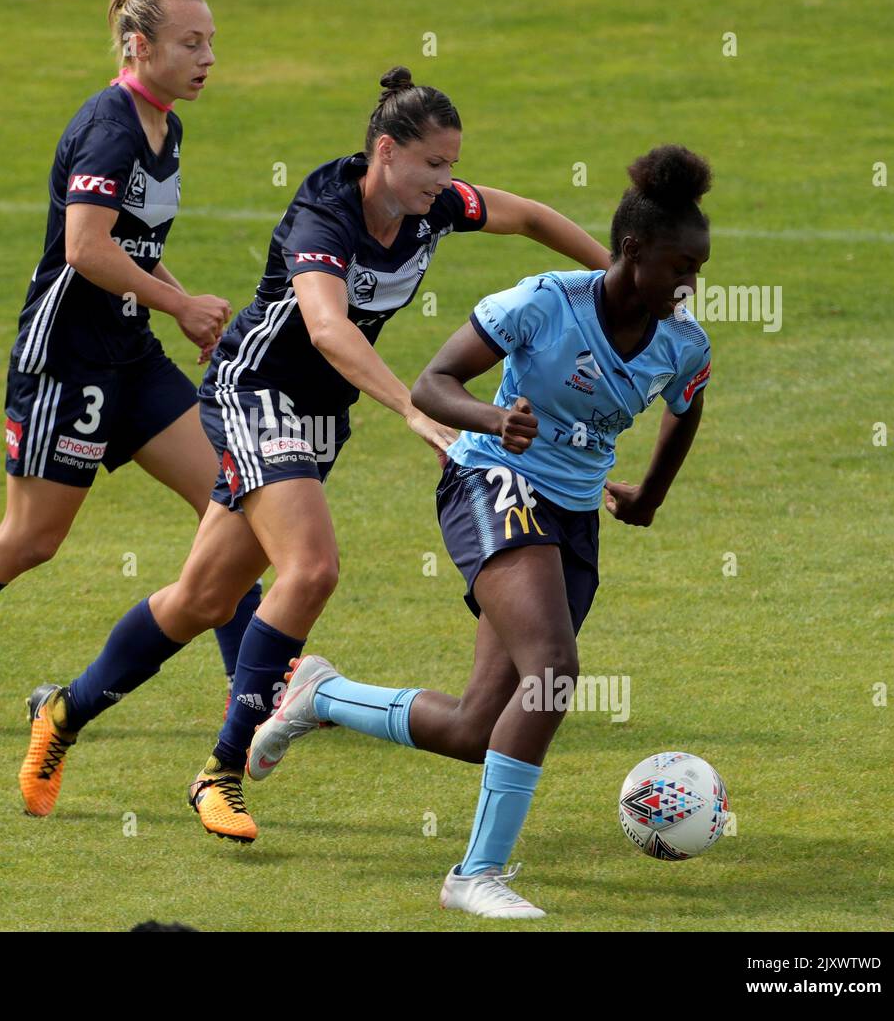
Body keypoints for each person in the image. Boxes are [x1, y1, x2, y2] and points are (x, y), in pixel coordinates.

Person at [17, 66, 613, 836]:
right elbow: (328, 329)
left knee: (202, 597)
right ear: (386, 152)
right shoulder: (325, 214)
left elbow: (530, 216)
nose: (448, 179)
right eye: (434, 162)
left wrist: (614, 280)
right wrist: (412, 409)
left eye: (454, 165)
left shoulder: (434, 209)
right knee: (312, 567)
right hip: (253, 391)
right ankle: (222, 771)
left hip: (318, 416)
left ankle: (62, 710)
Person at [247, 144, 714, 918]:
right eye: (679, 266)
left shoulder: (682, 339)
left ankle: (321, 696)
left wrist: (651, 496)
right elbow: (435, 382)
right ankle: (476, 873)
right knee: (555, 668)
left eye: (698, 268)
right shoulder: (543, 302)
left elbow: (686, 407)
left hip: (570, 515)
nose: (688, 284)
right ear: (632, 251)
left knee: (475, 727)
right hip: (491, 478)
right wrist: (496, 417)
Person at [0, 0, 259, 735]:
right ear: (139, 47)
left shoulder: (165, 126)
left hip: (128, 353)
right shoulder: (109, 128)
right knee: (32, 539)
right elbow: (84, 247)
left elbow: (131, 243)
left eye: (211, 43)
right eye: (192, 44)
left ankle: (258, 687)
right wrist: (179, 303)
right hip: (66, 362)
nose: (208, 58)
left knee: (230, 496)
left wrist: (172, 302)